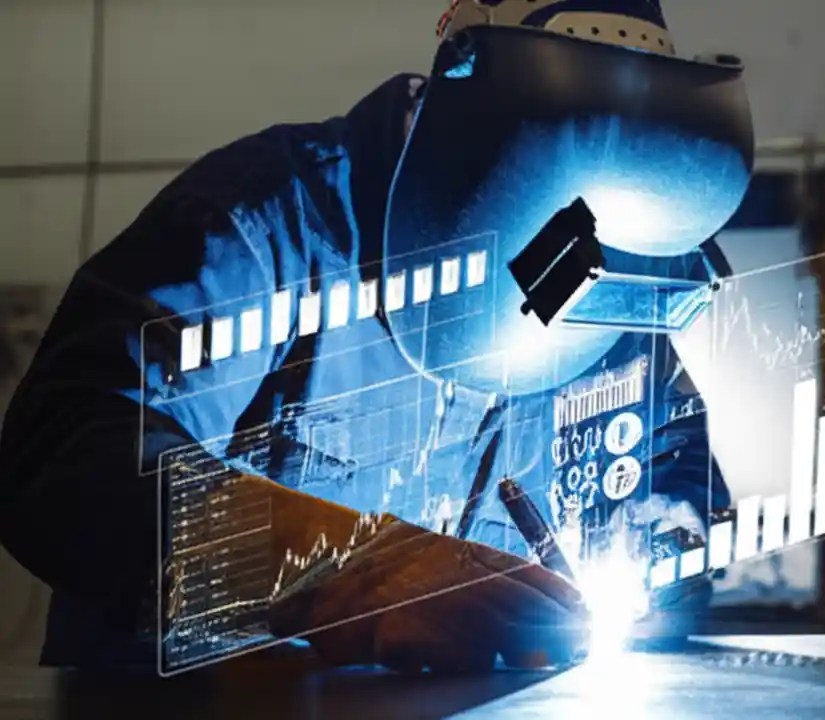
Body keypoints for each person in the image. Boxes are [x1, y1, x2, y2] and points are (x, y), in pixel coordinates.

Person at [0, 0, 751, 673]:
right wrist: (334, 565)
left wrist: (659, 547)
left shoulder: (614, 271)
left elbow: (672, 464)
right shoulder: (270, 226)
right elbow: (67, 455)